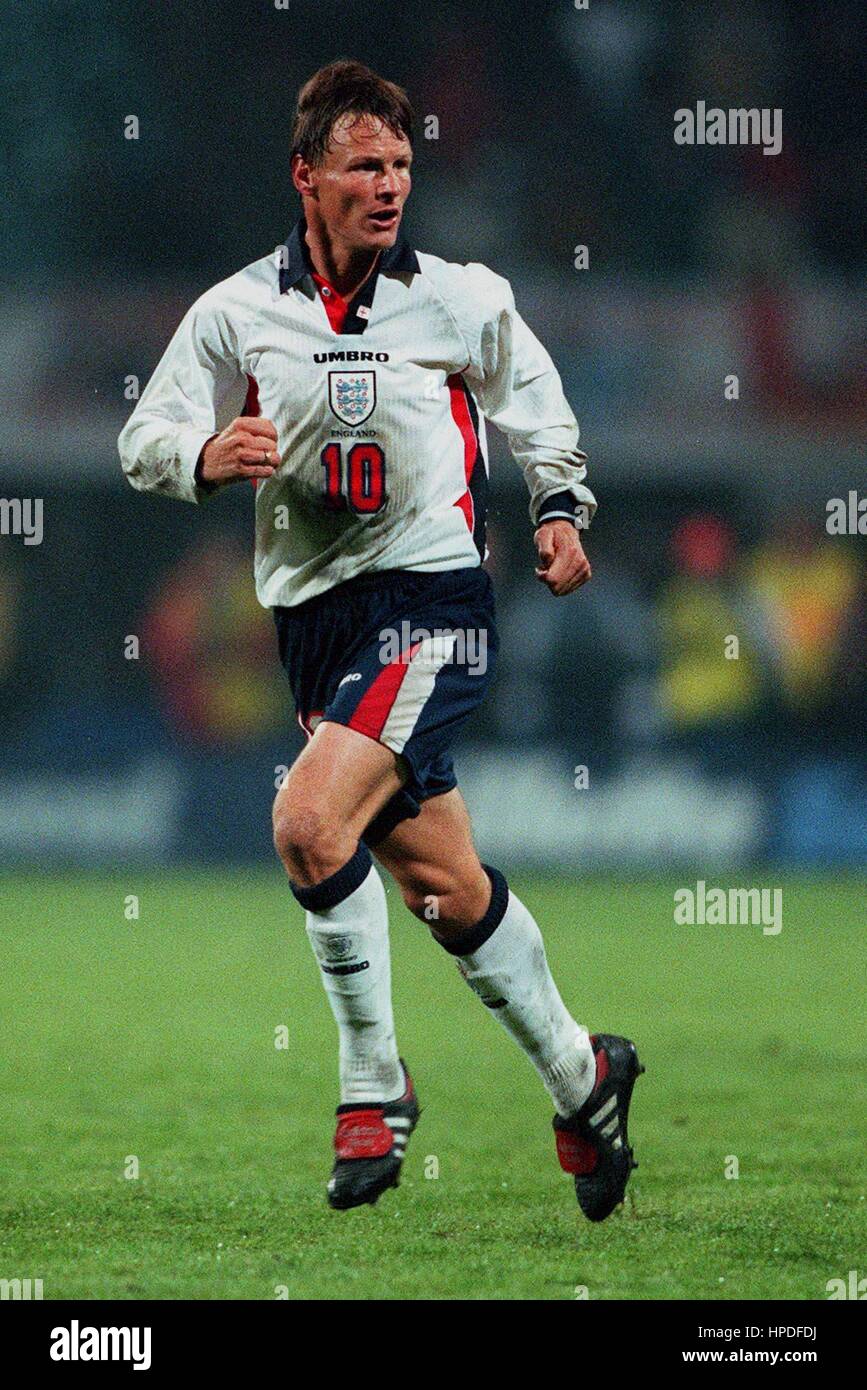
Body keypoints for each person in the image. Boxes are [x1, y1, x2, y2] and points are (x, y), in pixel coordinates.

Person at [118, 59, 643, 1220]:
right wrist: (202, 458)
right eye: (366, 164)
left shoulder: (457, 297)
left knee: (308, 824)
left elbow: (538, 399)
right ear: (308, 176)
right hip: (316, 631)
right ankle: (583, 1073)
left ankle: (373, 1084)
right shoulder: (237, 310)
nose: (391, 182)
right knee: (449, 888)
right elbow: (142, 434)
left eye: (403, 163)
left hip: (437, 607)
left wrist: (560, 507)